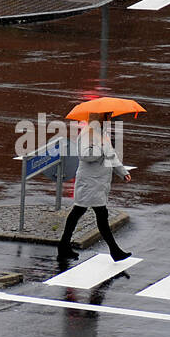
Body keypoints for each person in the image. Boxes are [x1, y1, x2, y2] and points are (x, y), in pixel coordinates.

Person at [57, 112, 132, 262]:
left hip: (98, 182)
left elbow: (111, 156)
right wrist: (101, 148)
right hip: (89, 182)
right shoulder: (87, 133)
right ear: (101, 118)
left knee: (78, 212)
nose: (110, 118)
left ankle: (63, 247)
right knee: (100, 215)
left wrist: (122, 172)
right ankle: (115, 251)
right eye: (108, 116)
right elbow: (85, 156)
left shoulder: (101, 133)